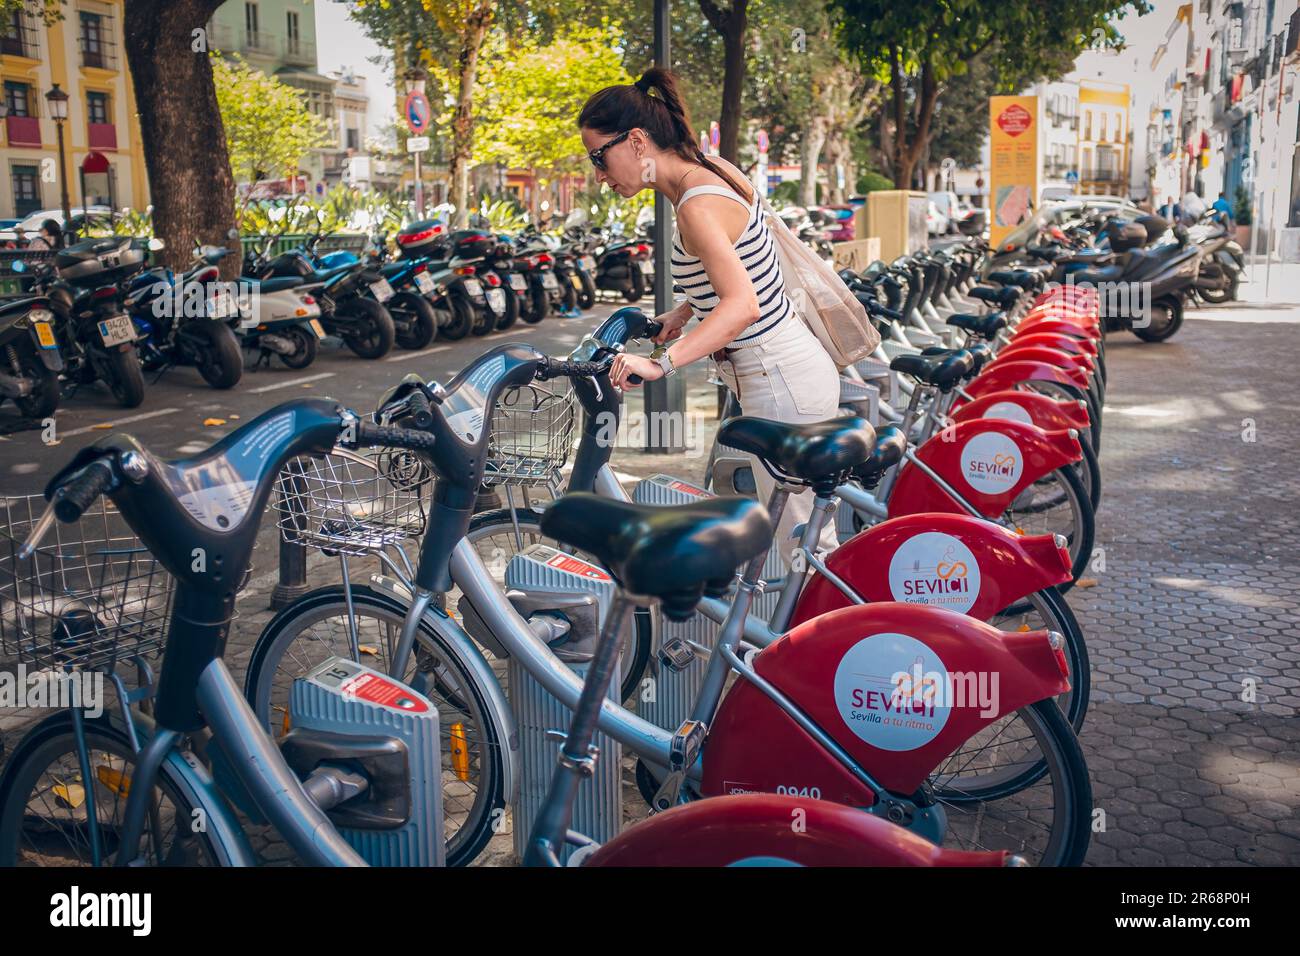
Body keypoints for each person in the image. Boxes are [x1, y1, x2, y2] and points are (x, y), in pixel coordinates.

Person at [578, 67, 841, 558]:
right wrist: (685, 311)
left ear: (636, 141)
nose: (599, 176)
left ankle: (860, 632)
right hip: (786, 369)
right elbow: (745, 265)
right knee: (800, 543)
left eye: (599, 157)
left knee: (805, 550)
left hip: (779, 381)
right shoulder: (712, 169)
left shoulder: (694, 207)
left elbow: (742, 304)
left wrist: (662, 363)